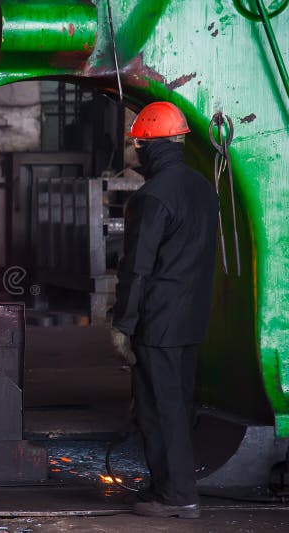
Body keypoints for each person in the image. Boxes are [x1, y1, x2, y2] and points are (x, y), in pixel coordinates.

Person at [109, 101, 219, 519]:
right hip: (192, 319)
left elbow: (137, 270)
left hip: (158, 323)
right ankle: (168, 486)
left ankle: (176, 496)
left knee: (158, 408)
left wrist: (123, 324)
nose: (136, 152)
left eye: (139, 145)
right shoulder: (203, 189)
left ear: (150, 145)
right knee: (178, 405)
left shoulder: (150, 199)